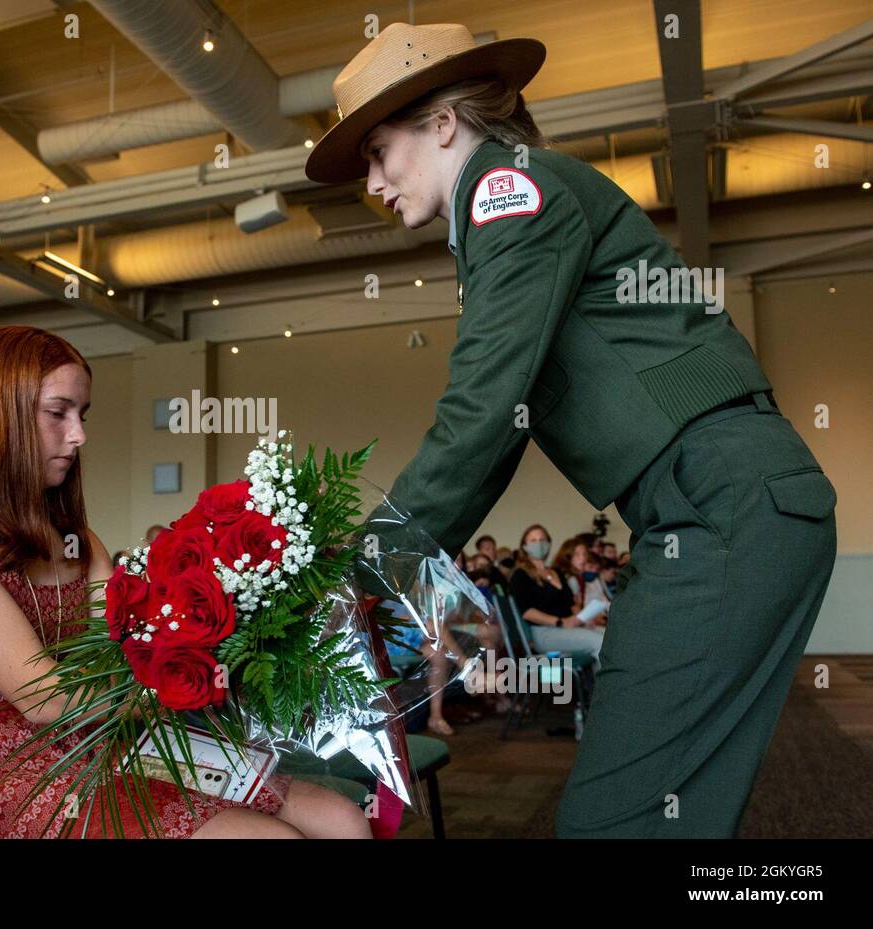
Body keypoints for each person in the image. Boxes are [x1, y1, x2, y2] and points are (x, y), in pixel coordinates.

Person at [308, 22, 837, 838]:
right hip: (716, 507)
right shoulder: (507, 205)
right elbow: (498, 428)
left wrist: (361, 577)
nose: (372, 182)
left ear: (443, 124)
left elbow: (484, 411)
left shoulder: (505, 194)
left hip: (723, 506)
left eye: (379, 151)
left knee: (610, 820)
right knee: (667, 813)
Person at [0, 325, 369, 839]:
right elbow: (44, 699)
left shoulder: (74, 539)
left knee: (343, 819)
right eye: (57, 412)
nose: (79, 435)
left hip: (96, 747)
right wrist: (192, 681)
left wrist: (253, 611)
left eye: (81, 415)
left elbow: (136, 647)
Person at [507, 525, 604, 665]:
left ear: (548, 543)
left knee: (609, 637)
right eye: (533, 540)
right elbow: (527, 612)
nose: (539, 544)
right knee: (599, 642)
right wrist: (560, 622)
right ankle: (610, 686)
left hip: (569, 627)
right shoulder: (520, 575)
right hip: (546, 632)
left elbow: (571, 604)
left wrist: (583, 619)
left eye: (542, 539)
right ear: (524, 547)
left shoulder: (556, 572)